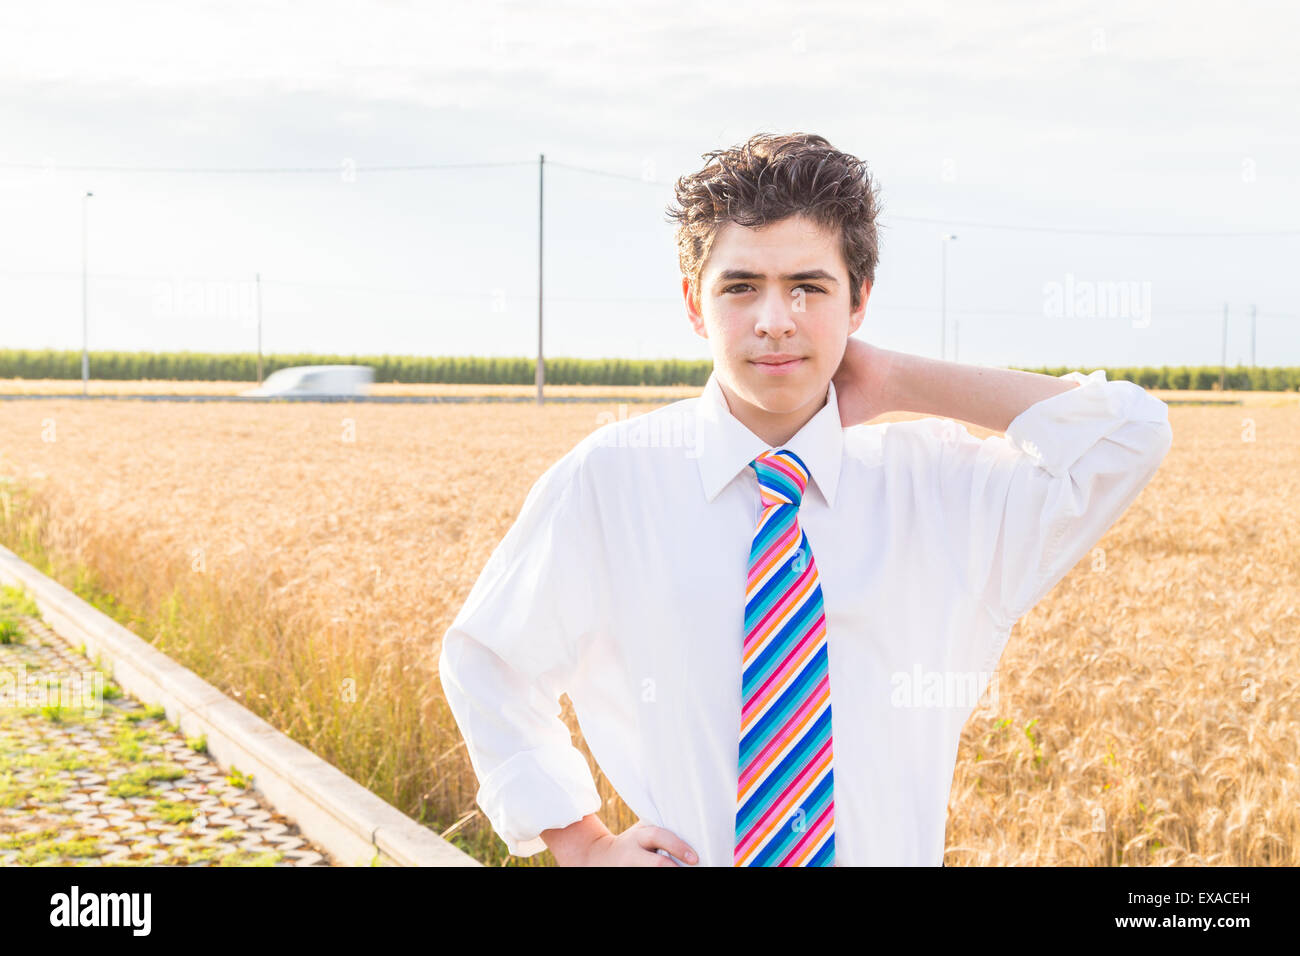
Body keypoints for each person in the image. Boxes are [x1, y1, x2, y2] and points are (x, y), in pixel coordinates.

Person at [437, 132, 1173, 866]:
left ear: (861, 300)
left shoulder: (943, 491)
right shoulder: (612, 479)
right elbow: (488, 659)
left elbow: (1128, 436)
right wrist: (585, 844)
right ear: (695, 304)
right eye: (740, 286)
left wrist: (901, 379)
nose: (774, 320)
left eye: (809, 287)